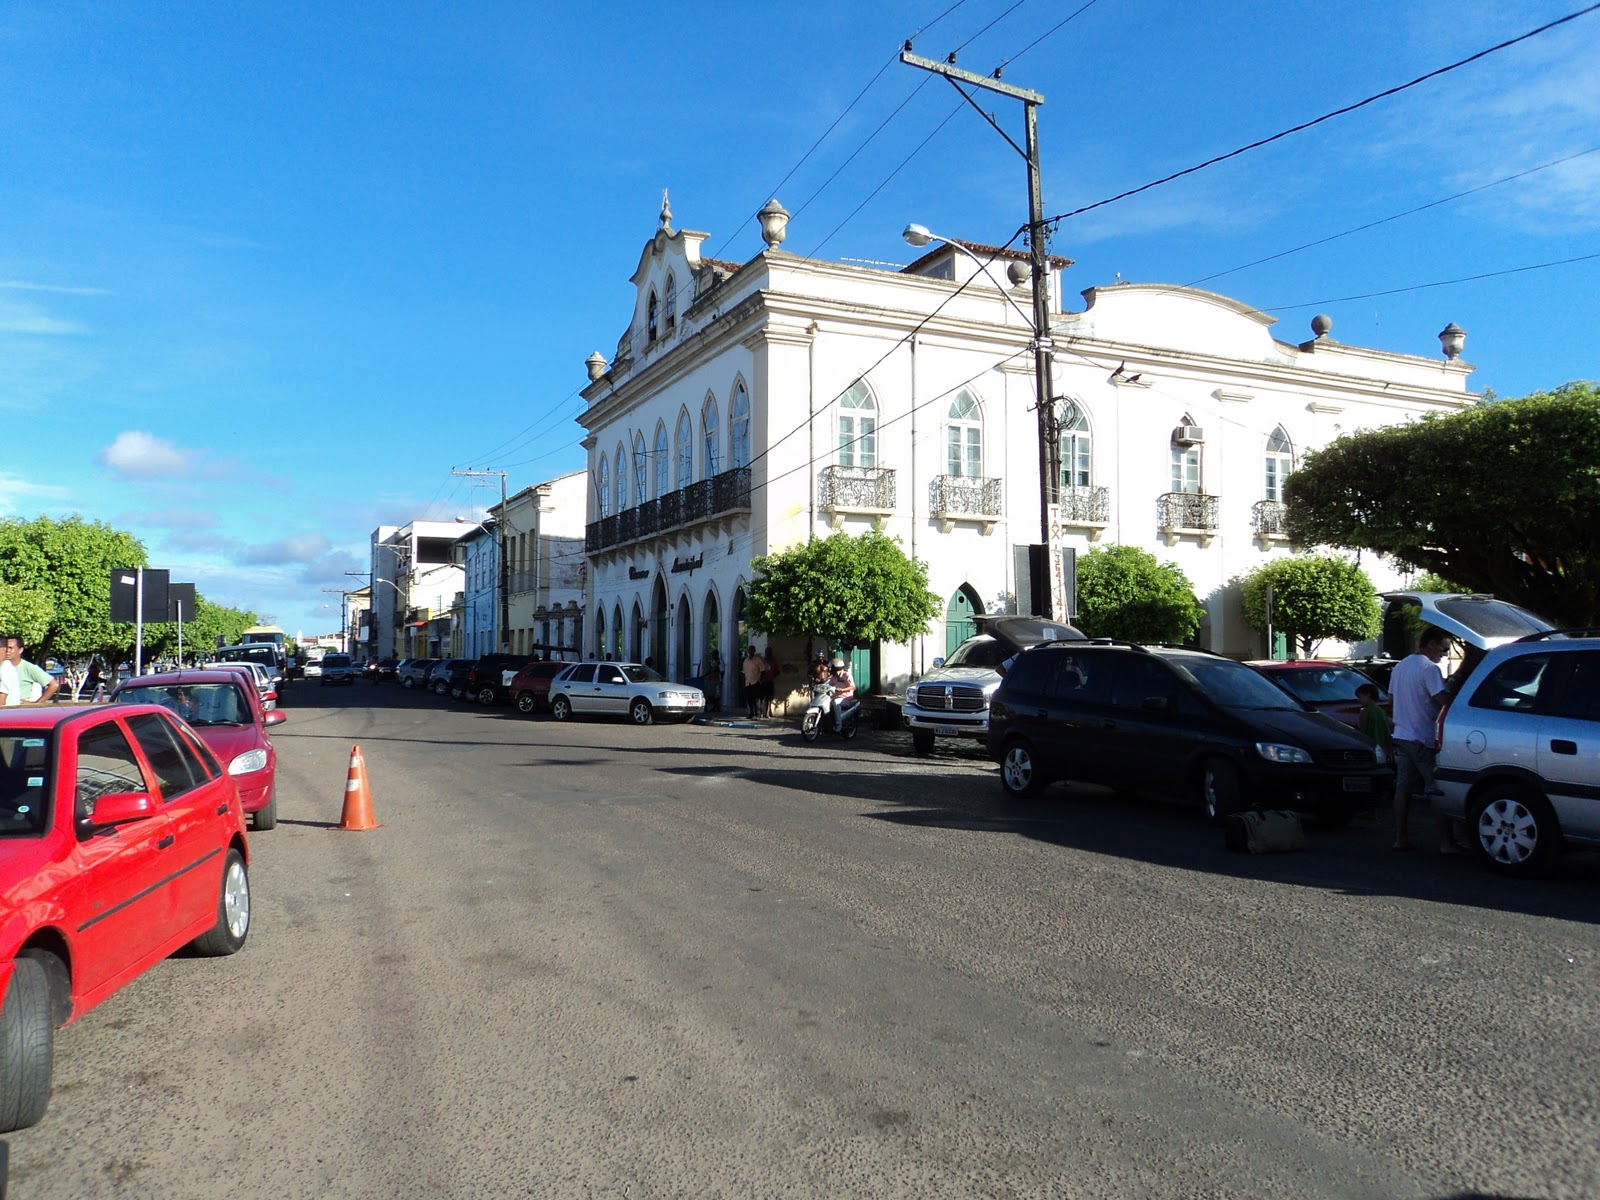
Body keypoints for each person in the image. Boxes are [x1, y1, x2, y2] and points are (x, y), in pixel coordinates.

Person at [1388, 626, 1459, 853]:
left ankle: (1400, 838)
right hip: (1423, 736)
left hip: (1402, 734)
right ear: (1430, 645)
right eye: (1444, 649)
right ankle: (1447, 843)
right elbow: (1443, 700)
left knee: (1403, 788)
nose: (1445, 654)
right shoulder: (1430, 669)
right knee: (1436, 790)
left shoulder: (1401, 666)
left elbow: (1390, 699)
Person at [0, 636, 58, 707]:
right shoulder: (5, 666)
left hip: (18, 710)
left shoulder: (29, 668)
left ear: (20, 650)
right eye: (6, 647)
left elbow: (54, 685)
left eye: (10, 648)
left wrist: (36, 704)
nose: (7, 651)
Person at [1356, 683, 1391, 755]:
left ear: (1368, 695)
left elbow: (1363, 732)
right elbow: (1387, 732)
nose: (1358, 700)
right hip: (1382, 749)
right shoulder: (1382, 711)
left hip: (1370, 748)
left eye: (1360, 697)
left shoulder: (1365, 712)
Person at [825, 655, 855, 731]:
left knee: (836, 702)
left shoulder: (846, 675)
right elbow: (829, 685)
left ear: (836, 668)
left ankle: (839, 724)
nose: (829, 669)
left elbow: (853, 687)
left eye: (831, 667)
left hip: (846, 699)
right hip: (834, 697)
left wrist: (842, 690)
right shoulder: (833, 677)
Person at [742, 647, 763, 719]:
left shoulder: (758, 660)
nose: (750, 652)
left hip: (756, 681)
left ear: (754, 651)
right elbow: (744, 672)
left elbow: (762, 670)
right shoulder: (746, 661)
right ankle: (751, 712)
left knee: (757, 699)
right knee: (749, 698)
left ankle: (758, 714)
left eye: (752, 650)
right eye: (749, 650)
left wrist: (760, 680)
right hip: (748, 682)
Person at [759, 647, 780, 718]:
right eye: (767, 652)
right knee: (761, 698)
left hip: (770, 681)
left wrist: (772, 676)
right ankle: (761, 712)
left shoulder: (774, 661)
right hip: (763, 681)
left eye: (769, 652)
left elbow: (777, 671)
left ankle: (767, 713)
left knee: (769, 698)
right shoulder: (763, 661)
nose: (768, 653)